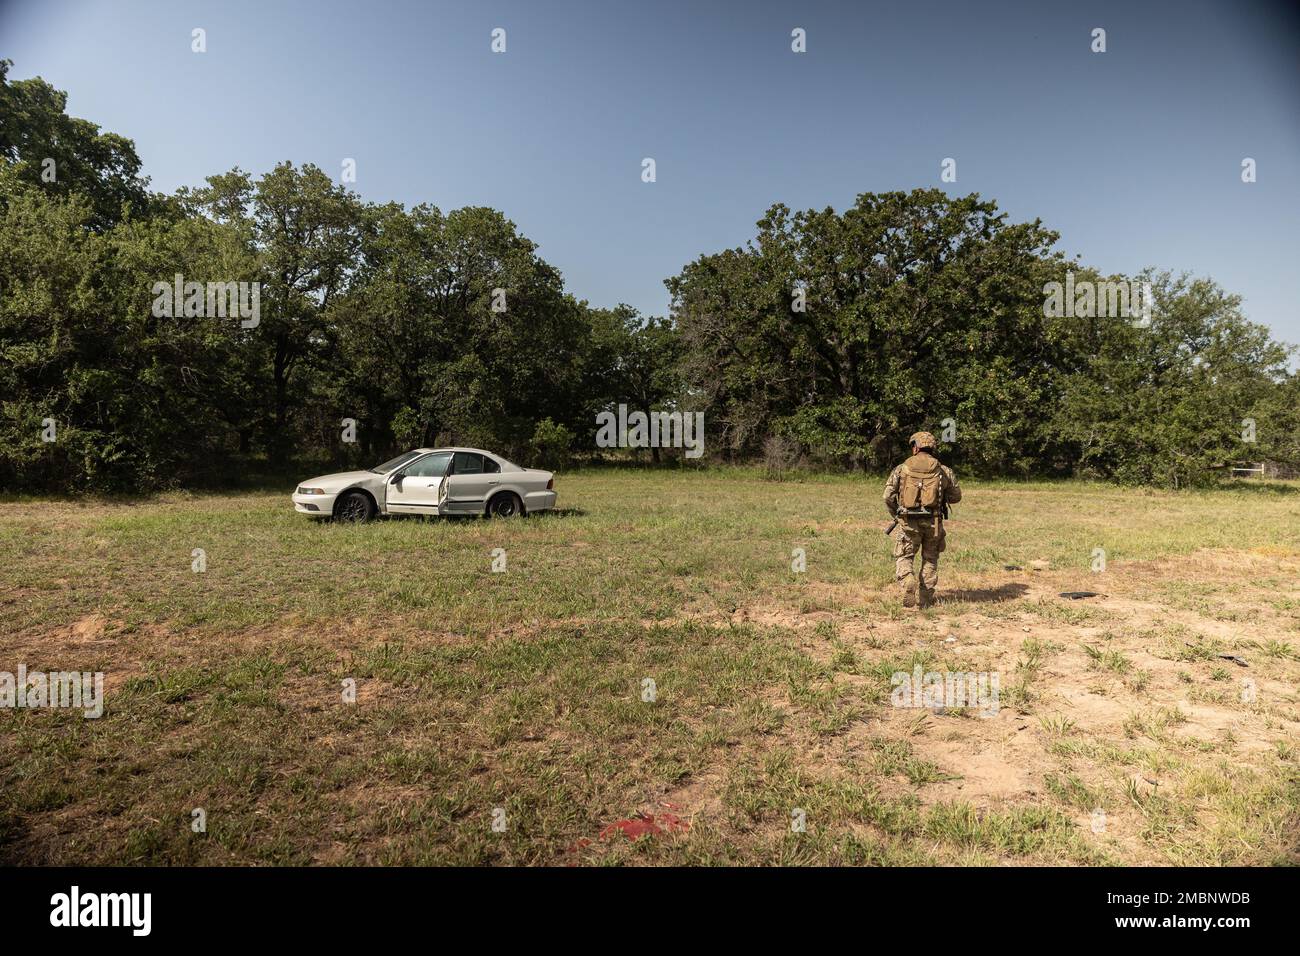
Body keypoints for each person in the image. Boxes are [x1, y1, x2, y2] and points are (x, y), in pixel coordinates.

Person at [882, 431, 961, 609]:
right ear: (932, 448)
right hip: (933, 522)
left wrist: (897, 513)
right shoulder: (944, 470)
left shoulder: (901, 469)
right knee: (930, 559)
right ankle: (925, 598)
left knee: (904, 555)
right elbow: (956, 497)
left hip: (908, 522)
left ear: (915, 447)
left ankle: (908, 580)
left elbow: (887, 496)